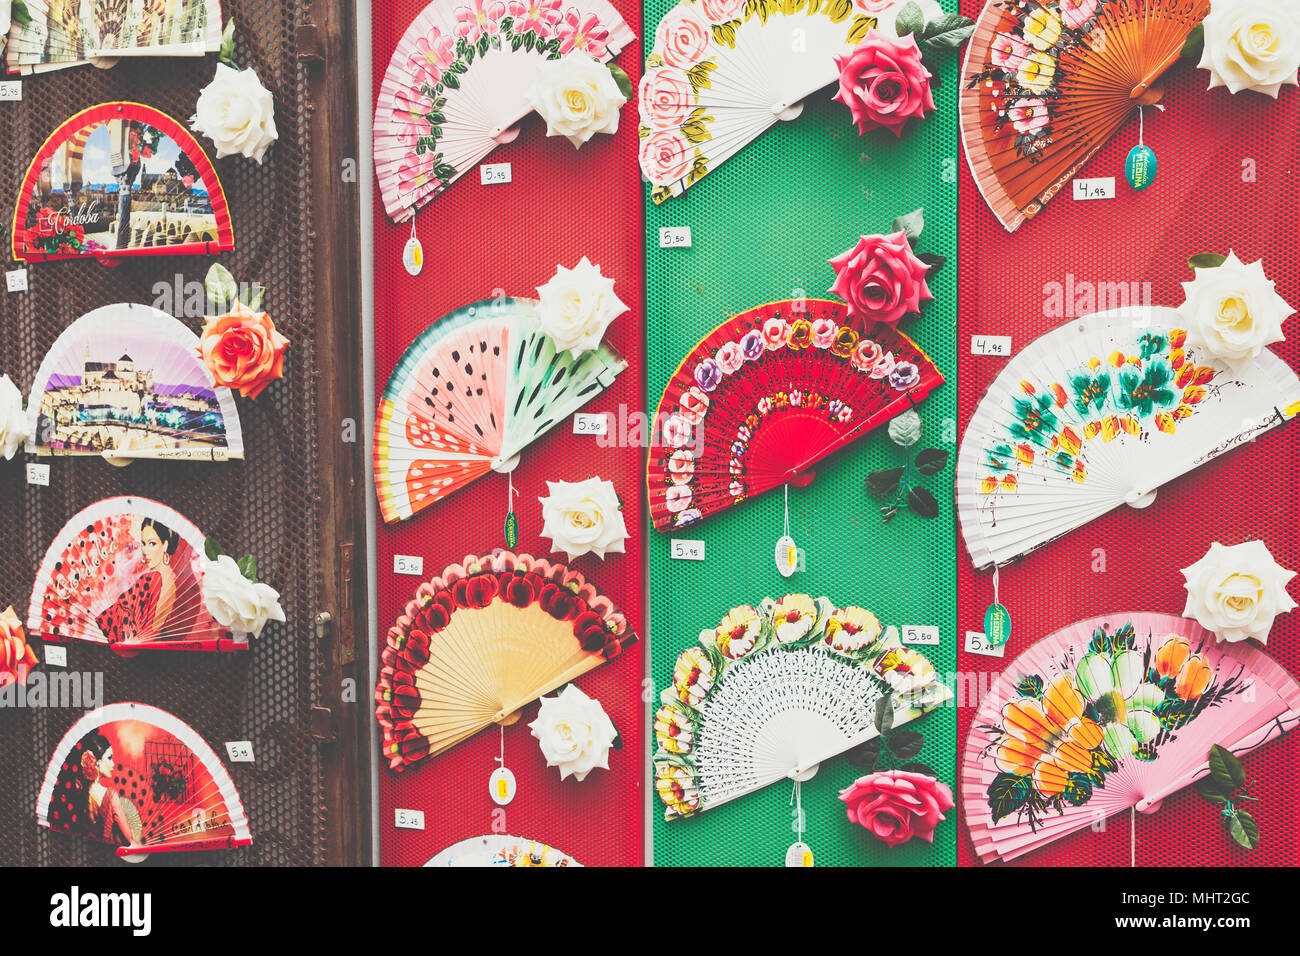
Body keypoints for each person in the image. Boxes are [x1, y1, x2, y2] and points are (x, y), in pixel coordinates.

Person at [94, 518, 187, 643]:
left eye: (152, 543)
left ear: (165, 545)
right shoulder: (172, 582)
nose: (145, 550)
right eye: (143, 543)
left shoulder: (150, 580)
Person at [75, 733, 141, 848]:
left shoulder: (79, 789)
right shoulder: (110, 794)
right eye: (109, 758)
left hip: (84, 850)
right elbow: (127, 837)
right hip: (106, 853)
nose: (113, 763)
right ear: (97, 762)